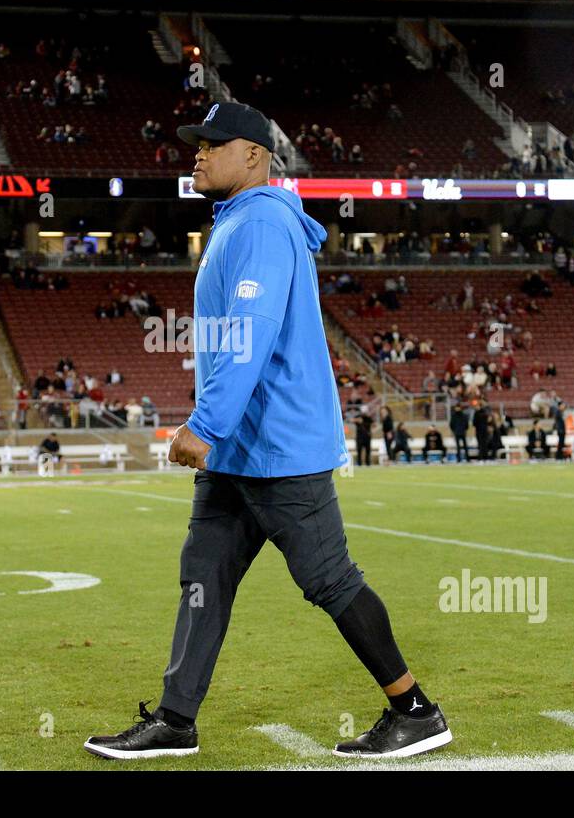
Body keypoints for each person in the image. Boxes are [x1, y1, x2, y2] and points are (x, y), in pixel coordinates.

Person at [86, 102, 451, 761]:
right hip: (240, 451)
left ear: (253, 154)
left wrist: (207, 423)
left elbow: (246, 339)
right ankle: (175, 717)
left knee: (329, 579)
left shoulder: (259, 224)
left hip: (279, 444)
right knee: (205, 568)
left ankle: (415, 709)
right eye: (194, 144)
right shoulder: (241, 222)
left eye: (212, 144)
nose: (196, 154)